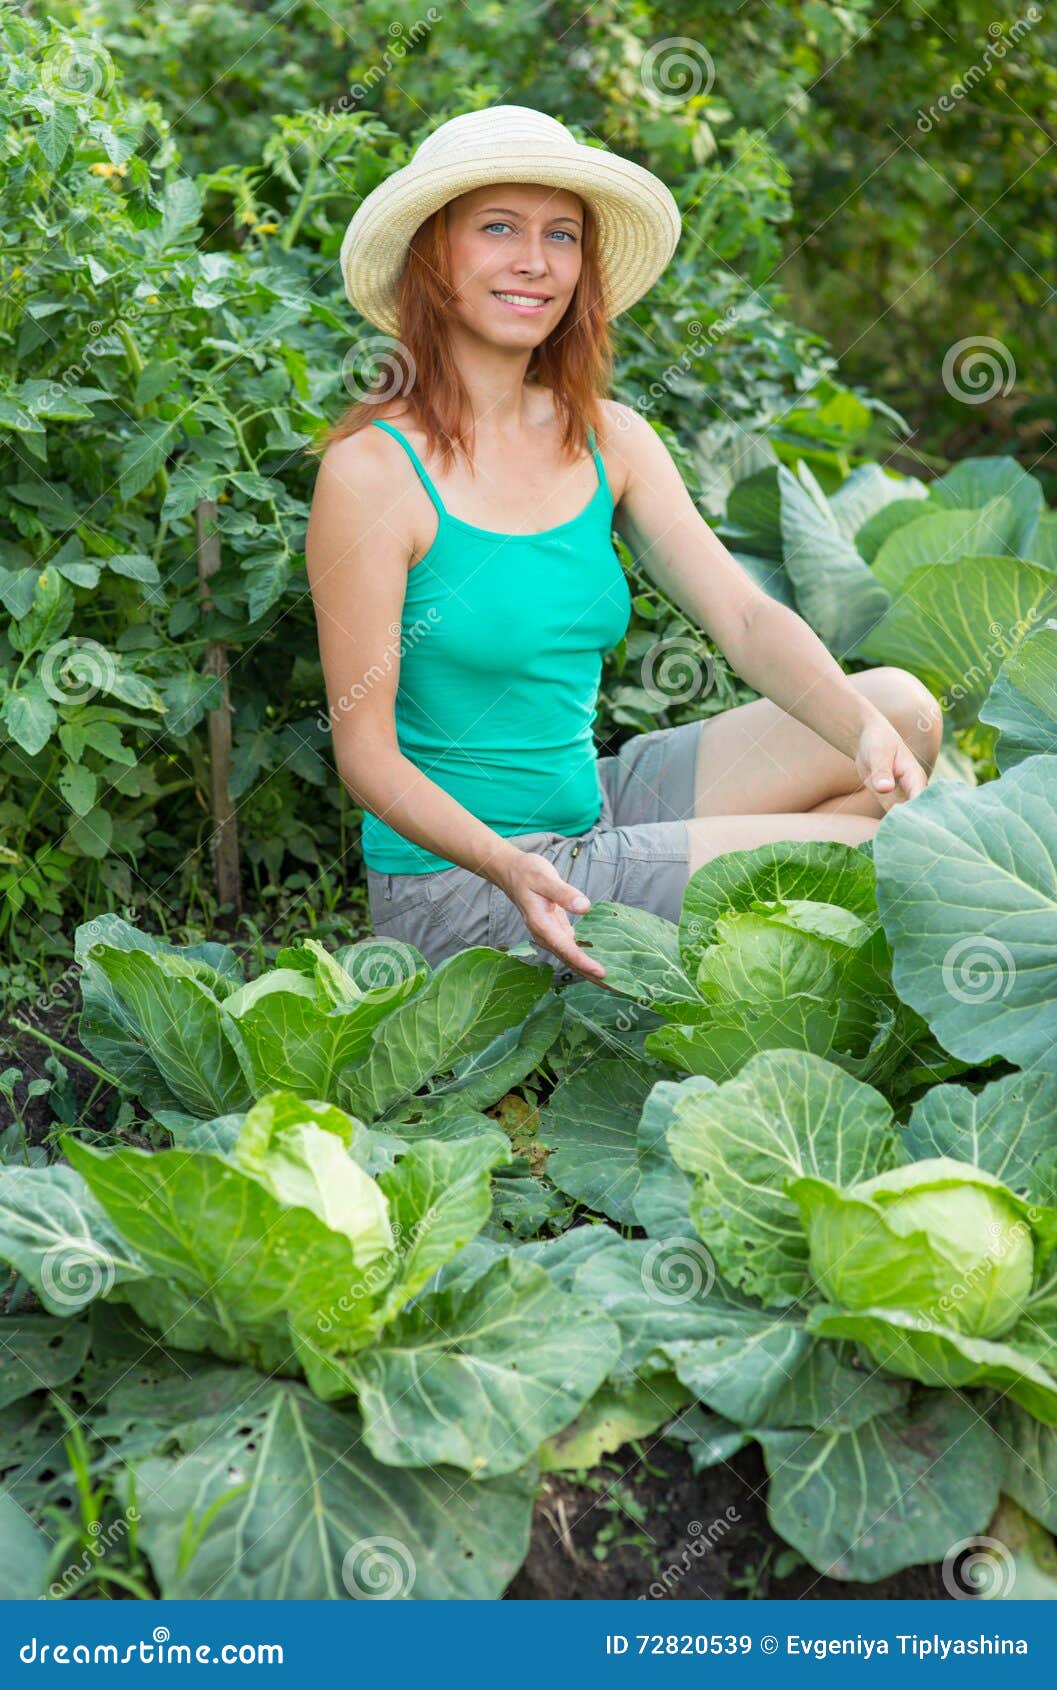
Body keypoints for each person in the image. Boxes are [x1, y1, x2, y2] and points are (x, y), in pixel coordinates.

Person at [305, 106, 941, 987]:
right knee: (872, 847)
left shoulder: (609, 437)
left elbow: (748, 619)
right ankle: (704, 970)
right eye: (498, 227)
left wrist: (860, 731)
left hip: (589, 809)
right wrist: (506, 864)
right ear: (431, 253)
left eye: (560, 235)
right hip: (469, 884)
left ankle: (711, 960)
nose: (534, 260)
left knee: (902, 711)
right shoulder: (373, 473)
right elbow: (364, 753)